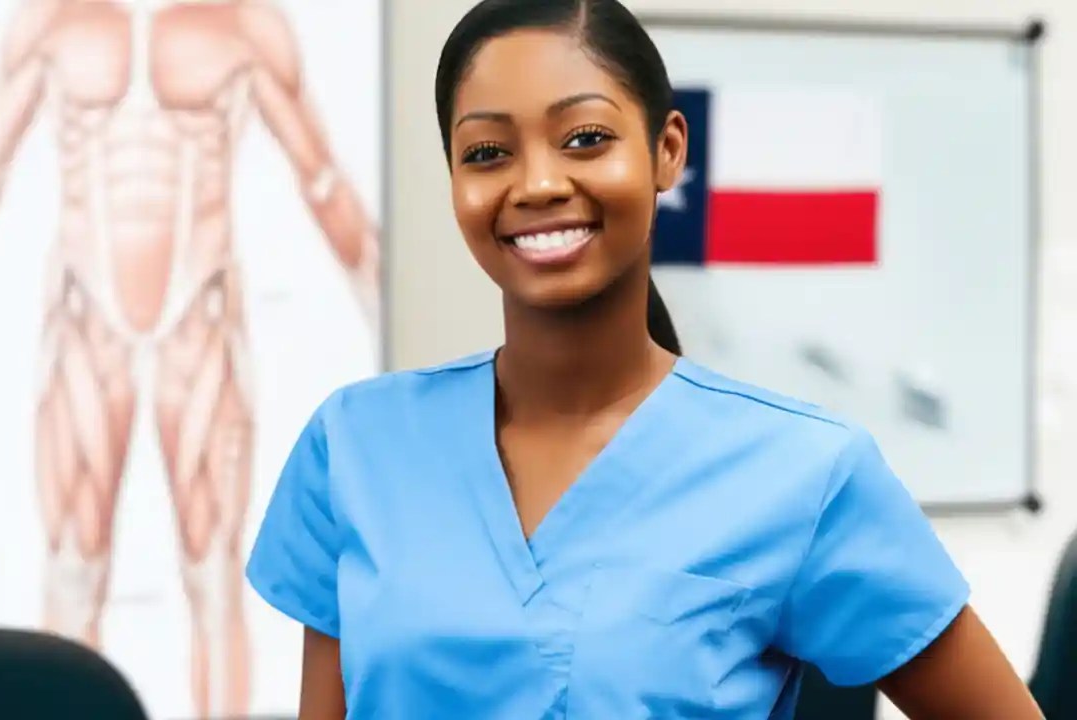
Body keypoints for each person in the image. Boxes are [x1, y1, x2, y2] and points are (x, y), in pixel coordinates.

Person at [245, 0, 1041, 717]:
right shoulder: (356, 446)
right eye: (487, 152)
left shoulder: (803, 472)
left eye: (585, 139)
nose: (538, 182)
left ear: (666, 150)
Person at [0, 0, 379, 716]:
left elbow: (321, 177)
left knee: (212, 575)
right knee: (75, 568)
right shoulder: (49, 22)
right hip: (87, 319)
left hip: (197, 318)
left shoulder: (246, 26)